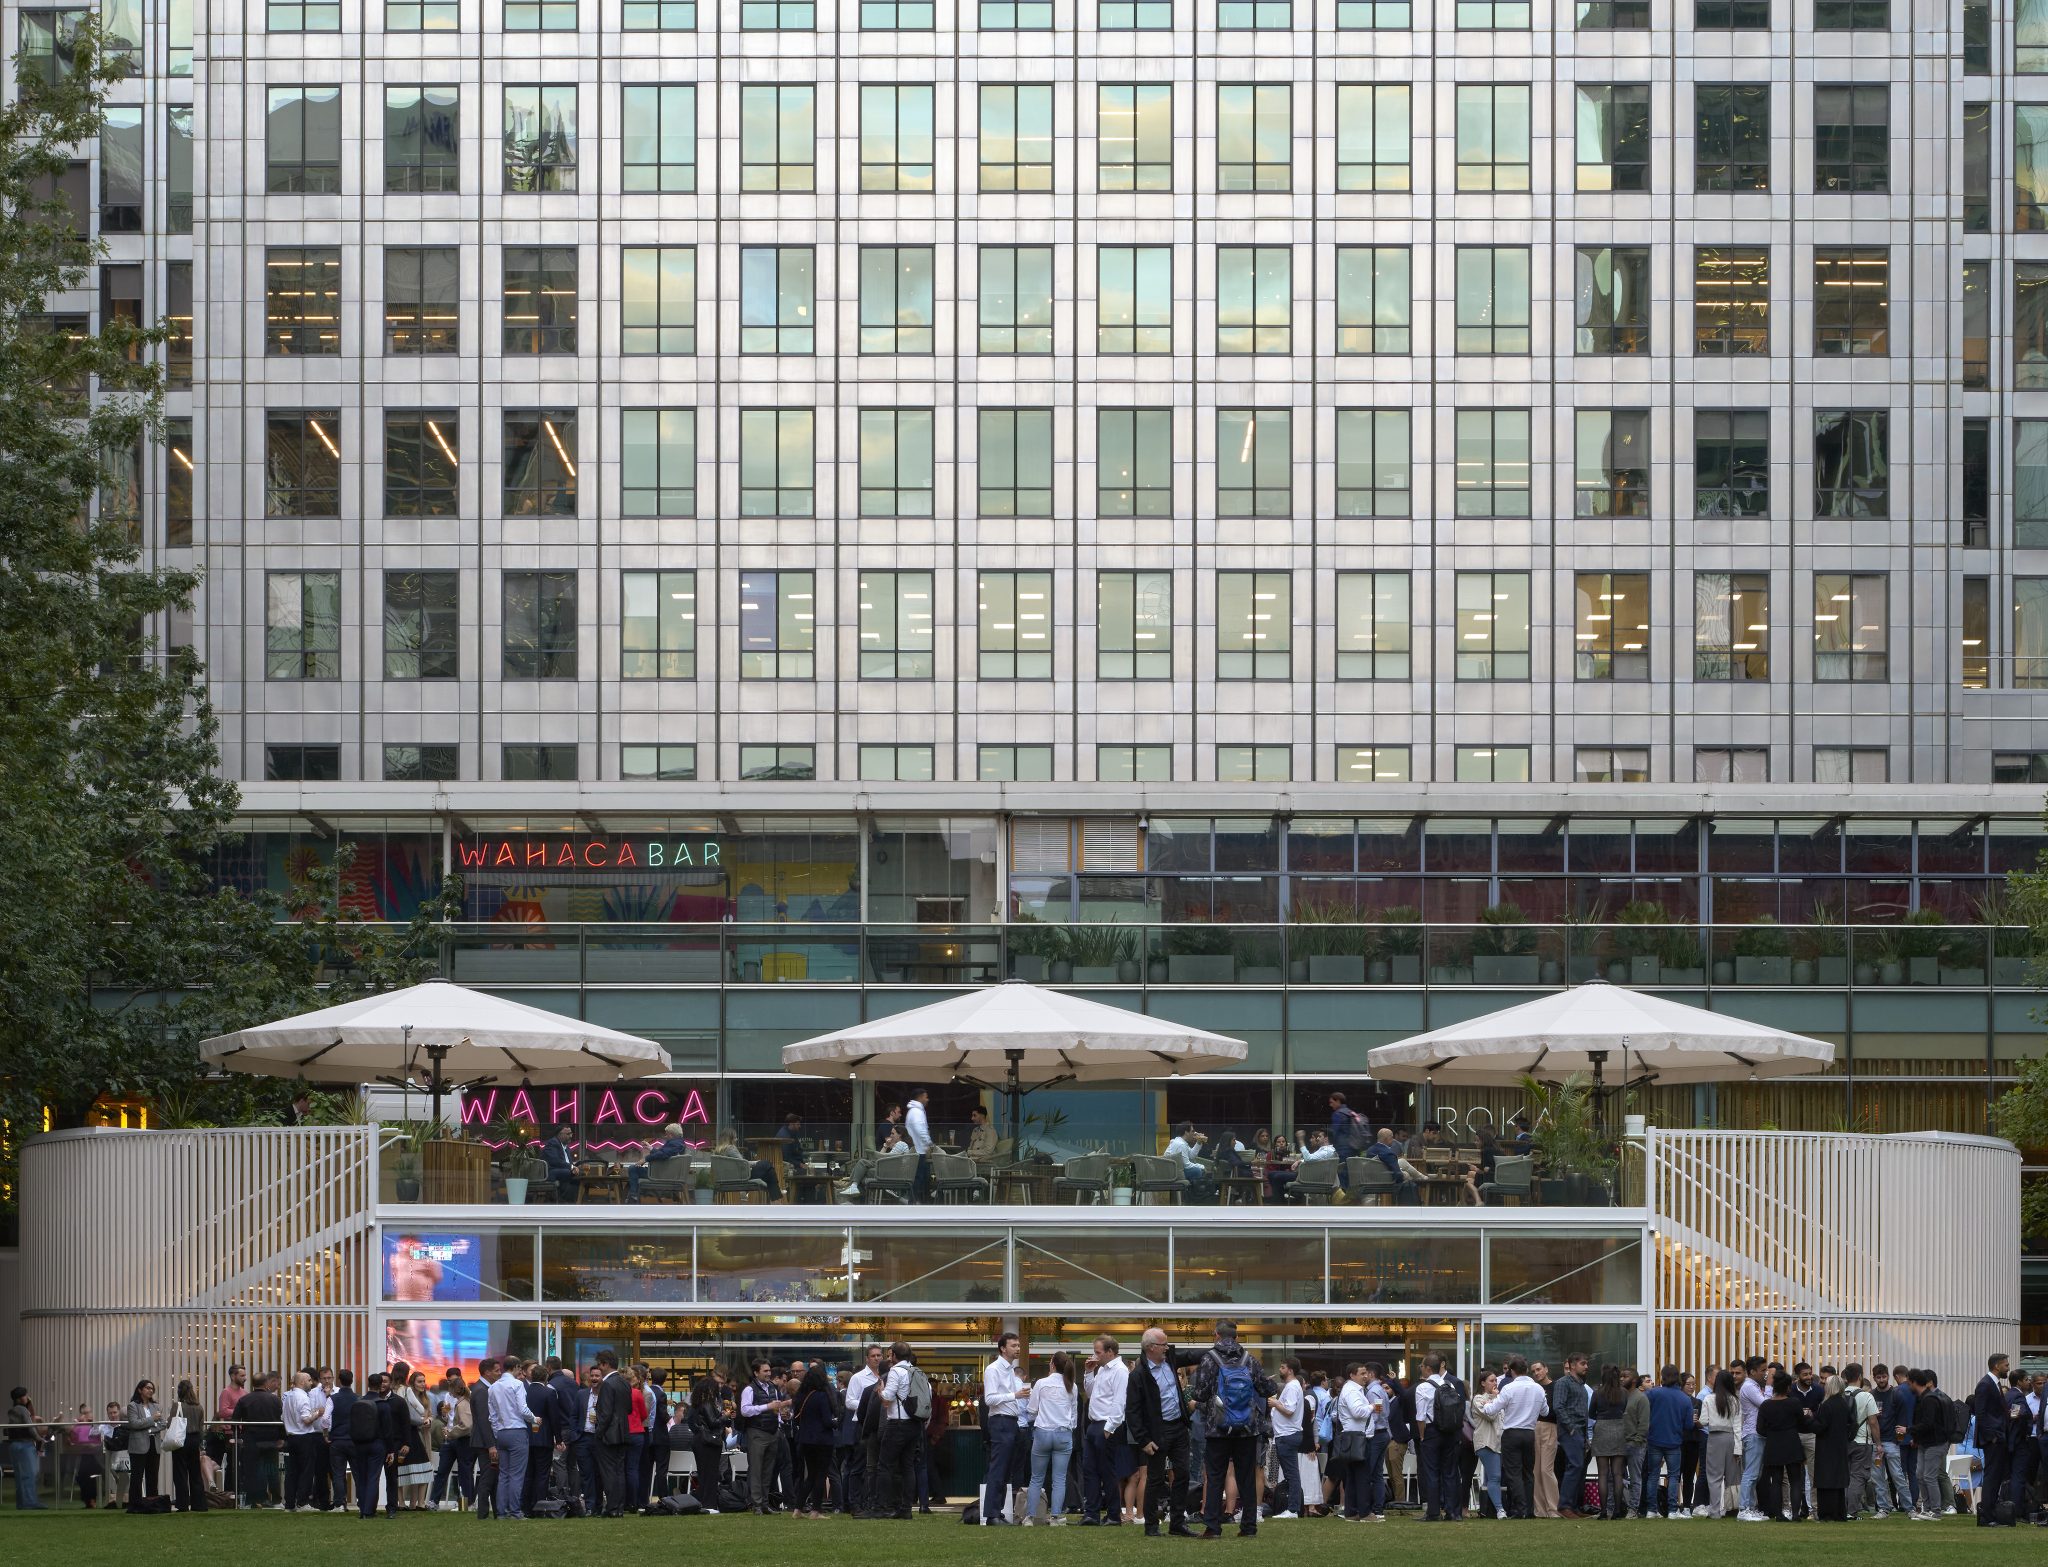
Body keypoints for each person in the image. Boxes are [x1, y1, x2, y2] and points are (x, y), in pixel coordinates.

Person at [1190, 1318, 1275, 1538]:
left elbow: (1200, 1394)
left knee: (1215, 1477)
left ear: (1216, 1335)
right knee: (1246, 1477)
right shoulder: (1249, 1359)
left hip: (1217, 1428)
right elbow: (1266, 1389)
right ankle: (1248, 1527)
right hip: (1247, 1428)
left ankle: (1212, 1527)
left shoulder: (1210, 1358)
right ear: (1237, 1337)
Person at [1125, 1327, 1197, 1536]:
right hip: (1158, 1432)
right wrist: (1143, 1440)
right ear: (1150, 1348)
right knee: (1155, 1479)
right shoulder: (1139, 1375)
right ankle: (1151, 1526)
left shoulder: (1170, 1361)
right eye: (1163, 1344)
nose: (1167, 1347)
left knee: (1182, 1474)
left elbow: (1191, 1355)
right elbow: (1132, 1411)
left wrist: (1216, 1350)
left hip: (1178, 1427)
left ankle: (1177, 1523)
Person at [1024, 1351, 1078, 1524]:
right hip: (1063, 1433)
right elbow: (1074, 1415)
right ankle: (1055, 1516)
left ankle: (1030, 1517)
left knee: (1036, 1478)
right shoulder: (1072, 1386)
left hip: (1043, 1432)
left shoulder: (1041, 1383)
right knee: (1059, 1479)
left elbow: (1031, 1411)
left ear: (1052, 1365)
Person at [1081, 1334, 1130, 1526]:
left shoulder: (1120, 1370)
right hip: (1094, 1424)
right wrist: (1088, 1373)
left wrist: (1110, 1427)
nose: (1095, 1356)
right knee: (1090, 1470)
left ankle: (1113, 1515)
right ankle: (1091, 1513)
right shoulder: (1102, 1369)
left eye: (1098, 1352)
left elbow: (1120, 1401)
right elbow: (1092, 1394)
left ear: (1110, 1352)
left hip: (1107, 1425)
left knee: (1108, 1471)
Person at [1414, 1350, 1467, 1522]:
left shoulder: (1422, 1387)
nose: (1421, 1368)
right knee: (1450, 1472)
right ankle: (1453, 1512)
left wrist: (1422, 1436)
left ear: (1428, 1368)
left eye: (1422, 1366)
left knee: (1431, 1472)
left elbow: (1420, 1417)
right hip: (1450, 1432)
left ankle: (1434, 1512)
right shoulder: (1450, 1385)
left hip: (1431, 1431)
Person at [980, 1330, 1026, 1525]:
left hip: (1011, 1422)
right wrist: (1014, 1395)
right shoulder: (993, 1369)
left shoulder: (1010, 1370)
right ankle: (991, 1514)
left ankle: (997, 1512)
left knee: (1006, 1470)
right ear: (1002, 1349)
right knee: (998, 1469)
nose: (1018, 1348)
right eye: (1013, 1345)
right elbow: (989, 1399)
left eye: (1018, 1345)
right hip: (1000, 1421)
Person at [876, 1341, 925, 1519]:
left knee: (885, 1465)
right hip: (915, 1423)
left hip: (897, 1423)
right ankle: (906, 1509)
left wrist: (880, 1391)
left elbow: (887, 1398)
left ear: (895, 1356)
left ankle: (883, 1506)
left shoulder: (896, 1371)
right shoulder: (917, 1371)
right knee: (907, 1466)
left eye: (890, 1355)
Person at [1494, 1358, 1547, 1519]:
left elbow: (1493, 1408)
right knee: (1528, 1473)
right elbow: (1545, 1411)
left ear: (1512, 1371)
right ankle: (1529, 1510)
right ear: (1527, 1370)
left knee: (1513, 1473)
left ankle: (1520, 1509)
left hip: (1511, 1433)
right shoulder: (1538, 1388)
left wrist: (1486, 1403)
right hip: (1529, 1433)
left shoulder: (1509, 1388)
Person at [1752, 1371, 1808, 1523]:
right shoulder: (1794, 1403)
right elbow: (1802, 1423)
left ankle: (1778, 1514)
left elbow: (1759, 1429)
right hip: (1792, 1442)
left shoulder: (1766, 1405)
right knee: (1795, 1480)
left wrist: (1771, 1433)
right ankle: (1795, 1514)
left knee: (1776, 1481)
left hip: (1774, 1443)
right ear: (1788, 1387)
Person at [487, 1357, 538, 1520]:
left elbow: (492, 1416)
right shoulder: (517, 1384)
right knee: (517, 1474)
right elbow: (523, 1409)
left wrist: (497, 1433)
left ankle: (502, 1512)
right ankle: (515, 1511)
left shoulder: (493, 1387)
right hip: (517, 1431)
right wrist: (534, 1419)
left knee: (504, 1474)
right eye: (520, 1368)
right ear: (516, 1367)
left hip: (502, 1432)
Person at [738, 1357, 789, 1514]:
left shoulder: (773, 1388)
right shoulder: (749, 1389)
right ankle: (757, 1504)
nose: (768, 1373)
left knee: (768, 1470)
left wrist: (781, 1418)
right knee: (756, 1469)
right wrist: (767, 1406)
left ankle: (764, 1503)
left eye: (769, 1370)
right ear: (756, 1372)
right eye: (765, 1371)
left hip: (772, 1431)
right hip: (757, 1432)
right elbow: (745, 1410)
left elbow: (776, 1408)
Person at [1643, 1364, 1693, 1518]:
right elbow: (1688, 1425)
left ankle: (1651, 1509)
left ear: (1662, 1376)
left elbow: (1644, 1414)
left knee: (1653, 1475)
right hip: (1674, 1441)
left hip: (1654, 1439)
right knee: (1673, 1476)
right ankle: (1672, 1509)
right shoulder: (1685, 1399)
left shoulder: (1652, 1394)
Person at [586, 1349, 629, 1517]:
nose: (599, 1368)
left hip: (608, 1435)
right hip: (623, 1433)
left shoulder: (607, 1384)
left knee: (609, 1472)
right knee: (619, 1471)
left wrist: (598, 1433)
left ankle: (612, 1508)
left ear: (605, 1364)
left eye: (600, 1365)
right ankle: (618, 1508)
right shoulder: (624, 1382)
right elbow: (628, 1409)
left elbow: (605, 1414)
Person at [790, 1363, 836, 1517]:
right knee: (821, 1475)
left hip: (805, 1439)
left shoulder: (802, 1396)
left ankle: (798, 1508)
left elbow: (797, 1418)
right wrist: (837, 1423)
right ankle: (815, 1510)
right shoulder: (822, 1396)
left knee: (810, 1475)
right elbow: (827, 1421)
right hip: (822, 1440)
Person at [1974, 1353, 2015, 1527]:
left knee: (1996, 1476)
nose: (2008, 1368)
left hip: (1998, 1436)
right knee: (1991, 1476)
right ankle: (1987, 1516)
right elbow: (1981, 1413)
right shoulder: (1985, 1384)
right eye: (2006, 1365)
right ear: (1997, 1366)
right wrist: (1991, 1437)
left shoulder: (1994, 1384)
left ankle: (1991, 1514)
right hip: (1993, 1439)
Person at [233, 1372, 282, 1509]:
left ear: (252, 1384)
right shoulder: (275, 1400)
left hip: (251, 1440)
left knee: (252, 1471)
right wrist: (281, 1438)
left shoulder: (244, 1400)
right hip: (271, 1440)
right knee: (272, 1470)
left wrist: (240, 1436)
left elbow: (235, 1420)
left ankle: (255, 1499)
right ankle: (276, 1500)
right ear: (266, 1383)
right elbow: (281, 1420)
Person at [1907, 1368, 1950, 1520]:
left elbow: (1928, 1423)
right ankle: (1927, 1508)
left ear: (1914, 1382)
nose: (1908, 1386)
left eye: (1909, 1383)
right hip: (1926, 1442)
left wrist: (1909, 1430)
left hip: (1935, 1443)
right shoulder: (1923, 1398)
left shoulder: (1929, 1399)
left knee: (1929, 1476)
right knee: (1920, 1475)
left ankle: (1936, 1511)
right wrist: (1916, 1438)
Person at [1588, 1364, 1630, 1519]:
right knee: (1618, 1473)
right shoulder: (1624, 1392)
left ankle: (1604, 1511)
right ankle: (1617, 1511)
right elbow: (1625, 1408)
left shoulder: (1598, 1393)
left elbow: (1591, 1413)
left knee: (1603, 1474)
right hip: (1619, 1428)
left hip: (1602, 1429)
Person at [684, 1370, 730, 1512]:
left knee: (703, 1474)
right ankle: (710, 1504)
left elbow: (690, 1421)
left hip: (699, 1440)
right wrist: (725, 1416)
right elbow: (713, 1422)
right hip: (710, 1442)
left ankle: (703, 1502)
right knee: (711, 1474)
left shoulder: (696, 1404)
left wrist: (699, 1431)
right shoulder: (708, 1403)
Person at [1551, 1352, 1590, 1518]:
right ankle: (1565, 1506)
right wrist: (1571, 1427)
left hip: (1580, 1431)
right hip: (1570, 1431)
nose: (1586, 1366)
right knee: (1575, 1466)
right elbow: (1558, 1406)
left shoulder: (1581, 1385)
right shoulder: (1563, 1383)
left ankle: (1573, 1507)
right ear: (1572, 1365)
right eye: (1583, 1363)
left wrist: (1584, 1435)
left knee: (1578, 1468)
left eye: (1586, 1363)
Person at [1266, 1358, 1306, 1520]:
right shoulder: (1292, 1386)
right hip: (1285, 1434)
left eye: (1283, 1367)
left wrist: (1275, 1403)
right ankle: (1292, 1508)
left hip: (1287, 1434)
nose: (1280, 1369)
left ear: (1290, 1370)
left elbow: (1289, 1410)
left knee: (1291, 1474)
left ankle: (1293, 1509)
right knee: (1291, 1474)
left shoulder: (1292, 1387)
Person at [1699, 1369, 1742, 1518]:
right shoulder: (1735, 1400)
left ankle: (1714, 1511)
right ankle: (1732, 1508)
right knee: (1732, 1477)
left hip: (1714, 1438)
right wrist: (1738, 1449)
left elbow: (1703, 1421)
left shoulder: (1708, 1399)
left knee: (1714, 1476)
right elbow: (1738, 1427)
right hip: (1731, 1438)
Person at [1812, 1373, 1854, 1521]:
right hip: (1840, 1446)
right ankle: (1839, 1513)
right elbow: (1852, 1424)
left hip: (1826, 1446)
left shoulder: (1826, 1405)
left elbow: (1820, 1427)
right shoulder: (1843, 1404)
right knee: (1838, 1481)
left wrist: (1809, 1419)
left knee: (1826, 1480)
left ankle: (1826, 1513)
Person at [430, 1369, 473, 1511]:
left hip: (462, 1437)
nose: (450, 1384)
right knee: (442, 1469)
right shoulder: (448, 1396)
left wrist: (452, 1431)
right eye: (448, 1381)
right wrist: (444, 1414)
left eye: (453, 1381)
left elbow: (467, 1424)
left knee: (464, 1471)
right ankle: (434, 1500)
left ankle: (466, 1502)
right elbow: (447, 1416)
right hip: (450, 1436)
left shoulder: (467, 1398)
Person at [1881, 1360, 1917, 1516]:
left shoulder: (1896, 1392)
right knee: (1912, 1473)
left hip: (1899, 1437)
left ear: (1896, 1376)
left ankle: (1901, 1503)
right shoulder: (1915, 1391)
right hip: (1914, 1435)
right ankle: (1912, 1503)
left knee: (1899, 1473)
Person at [1735, 1355, 1769, 1518]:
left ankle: (1750, 1507)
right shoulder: (1749, 1386)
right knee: (1751, 1473)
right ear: (1753, 1371)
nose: (1766, 1373)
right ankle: (1744, 1508)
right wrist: (1769, 1387)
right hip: (1753, 1434)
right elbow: (1765, 1404)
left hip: (1756, 1433)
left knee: (1756, 1474)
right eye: (1763, 1370)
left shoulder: (1754, 1385)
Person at [1469, 1372, 1506, 1519]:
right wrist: (1495, 1400)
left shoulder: (1497, 1398)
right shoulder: (1478, 1398)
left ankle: (1487, 1510)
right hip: (1486, 1442)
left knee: (1492, 1478)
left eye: (1496, 1380)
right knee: (1495, 1477)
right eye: (1491, 1380)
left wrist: (1494, 1401)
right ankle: (1500, 1510)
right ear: (1483, 1383)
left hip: (1499, 1443)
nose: (1495, 1383)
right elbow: (1490, 1415)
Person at [712, 1128, 784, 1202]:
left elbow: (740, 1163)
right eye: (735, 1137)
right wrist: (756, 1163)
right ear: (730, 1139)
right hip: (742, 1177)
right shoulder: (731, 1149)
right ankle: (776, 1195)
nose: (737, 1139)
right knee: (767, 1164)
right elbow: (743, 1164)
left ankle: (776, 1193)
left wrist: (756, 1162)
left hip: (729, 1178)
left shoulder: (718, 1151)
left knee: (768, 1172)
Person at [168, 1378, 206, 1513]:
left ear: (180, 1391)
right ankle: (199, 1504)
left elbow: (170, 1424)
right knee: (195, 1473)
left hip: (181, 1439)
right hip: (195, 1440)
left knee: (180, 1473)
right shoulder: (199, 1407)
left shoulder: (177, 1405)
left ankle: (183, 1504)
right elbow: (201, 1428)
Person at [211, 1364, 248, 1497]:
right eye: (242, 1375)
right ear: (233, 1376)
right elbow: (222, 1411)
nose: (245, 1378)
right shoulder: (226, 1392)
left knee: (242, 1463)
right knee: (233, 1463)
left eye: (245, 1375)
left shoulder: (244, 1392)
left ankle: (240, 1492)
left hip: (242, 1432)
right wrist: (239, 1412)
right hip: (230, 1433)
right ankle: (230, 1492)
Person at [6, 1387, 42, 1511]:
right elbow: (30, 1427)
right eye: (26, 1395)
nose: (27, 1397)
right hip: (25, 1444)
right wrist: (39, 1439)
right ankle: (30, 1502)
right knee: (30, 1474)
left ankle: (22, 1503)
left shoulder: (13, 1410)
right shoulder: (22, 1410)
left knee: (20, 1476)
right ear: (20, 1398)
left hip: (14, 1445)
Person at [1161, 1123, 1213, 1199]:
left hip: (1173, 1169)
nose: (1194, 1134)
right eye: (1192, 1131)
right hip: (1172, 1173)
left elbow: (1191, 1155)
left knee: (1197, 1170)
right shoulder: (1180, 1144)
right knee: (1197, 1171)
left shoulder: (1181, 1142)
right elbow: (1187, 1165)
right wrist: (1202, 1166)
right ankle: (1196, 1195)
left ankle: (1194, 1194)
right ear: (1186, 1132)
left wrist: (1198, 1142)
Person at [904, 1090, 934, 1202]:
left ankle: (918, 1202)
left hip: (918, 1150)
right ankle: (913, 1203)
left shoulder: (914, 1111)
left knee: (922, 1179)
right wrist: (928, 1143)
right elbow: (920, 1130)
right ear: (920, 1097)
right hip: (919, 1151)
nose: (927, 1099)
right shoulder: (916, 1112)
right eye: (926, 1097)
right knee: (919, 1179)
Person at [542, 1124, 580, 1203]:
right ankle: (564, 1201)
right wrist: (571, 1167)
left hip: (562, 1170)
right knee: (568, 1172)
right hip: (551, 1171)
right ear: (559, 1135)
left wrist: (574, 1168)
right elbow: (554, 1161)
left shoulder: (566, 1147)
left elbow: (568, 1163)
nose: (571, 1136)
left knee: (580, 1176)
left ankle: (573, 1201)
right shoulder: (552, 1143)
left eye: (571, 1133)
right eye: (568, 1134)